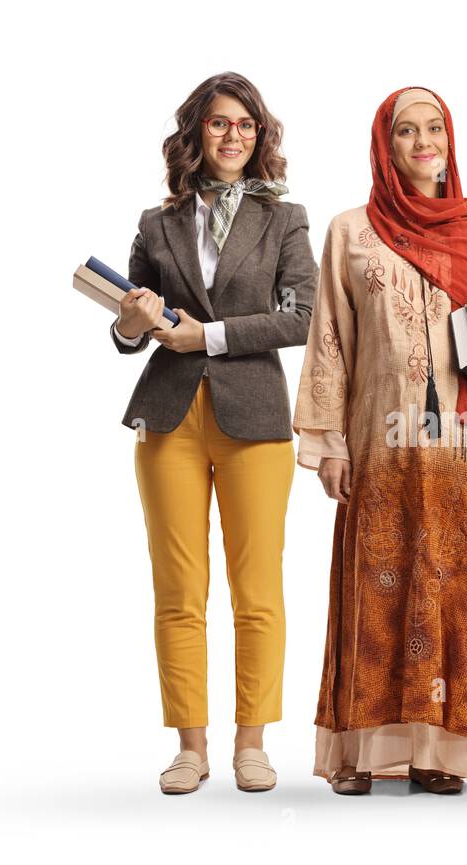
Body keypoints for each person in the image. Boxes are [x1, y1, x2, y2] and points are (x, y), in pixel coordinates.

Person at [292, 87, 467, 795]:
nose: (422, 141)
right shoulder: (351, 231)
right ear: (386, 144)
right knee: (378, 589)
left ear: (449, 137)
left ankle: (438, 751)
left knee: (455, 590)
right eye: (406, 131)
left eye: (433, 127)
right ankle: (358, 750)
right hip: (381, 448)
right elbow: (330, 344)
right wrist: (330, 447)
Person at [109, 72, 317, 794]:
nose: (233, 136)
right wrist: (130, 322)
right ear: (196, 133)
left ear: (260, 138)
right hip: (168, 416)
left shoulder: (284, 219)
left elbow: (302, 317)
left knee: (257, 586)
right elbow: (132, 330)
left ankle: (251, 742)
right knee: (178, 587)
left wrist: (213, 335)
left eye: (246, 126)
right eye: (220, 124)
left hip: (254, 416)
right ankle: (190, 746)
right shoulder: (155, 221)